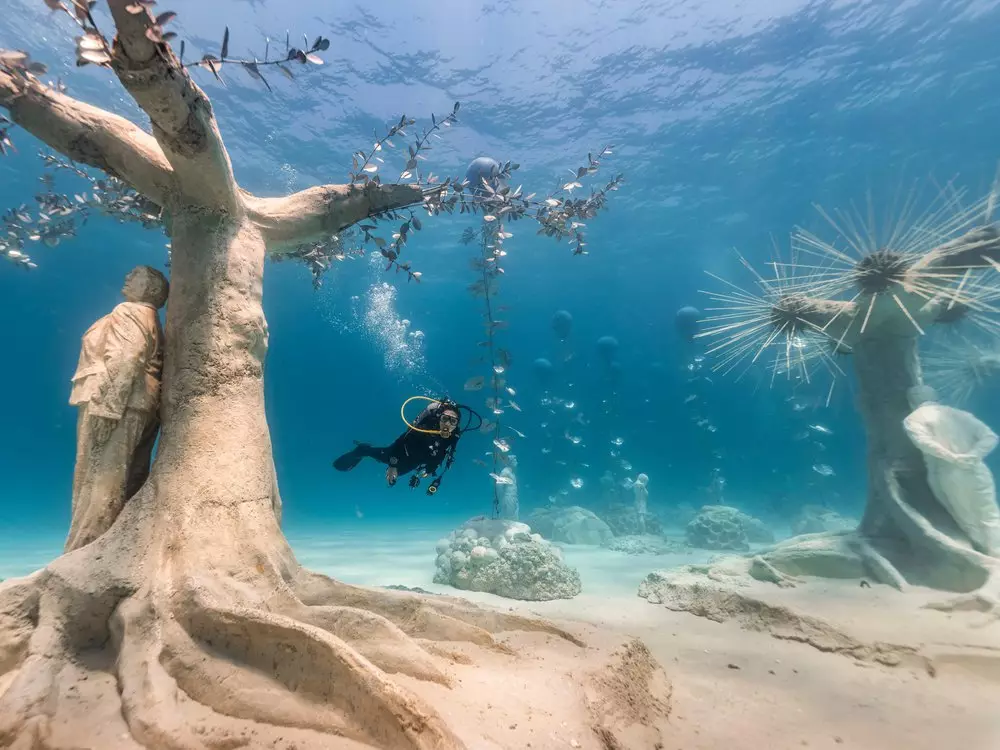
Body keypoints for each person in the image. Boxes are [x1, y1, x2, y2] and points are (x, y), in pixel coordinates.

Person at [66, 265, 168, 552]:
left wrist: (108, 408)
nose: (127, 278)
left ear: (150, 288)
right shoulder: (150, 318)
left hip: (118, 403)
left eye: (135, 275)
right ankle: (120, 549)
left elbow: (126, 357)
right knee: (126, 477)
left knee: (97, 480)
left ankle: (84, 552)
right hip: (140, 404)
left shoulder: (130, 311)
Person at [333, 399, 463, 494]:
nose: (448, 424)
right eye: (445, 418)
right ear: (439, 418)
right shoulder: (424, 428)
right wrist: (393, 464)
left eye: (453, 421)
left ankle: (387, 463)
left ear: (457, 425)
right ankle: (362, 449)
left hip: (416, 461)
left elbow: (444, 454)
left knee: (395, 478)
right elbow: (401, 441)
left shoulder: (454, 437)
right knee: (384, 462)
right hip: (400, 453)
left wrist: (430, 469)